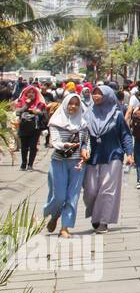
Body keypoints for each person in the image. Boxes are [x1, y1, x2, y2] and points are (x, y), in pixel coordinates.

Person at [82, 85, 134, 234]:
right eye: (94, 93)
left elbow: (125, 135)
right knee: (90, 191)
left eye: (100, 94)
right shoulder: (87, 115)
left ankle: (103, 221)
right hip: (93, 156)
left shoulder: (116, 115)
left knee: (107, 190)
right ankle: (95, 214)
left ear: (108, 96)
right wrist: (82, 148)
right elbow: (81, 135)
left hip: (113, 155)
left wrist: (129, 153)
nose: (96, 96)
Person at [44, 92, 89, 238]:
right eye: (71, 103)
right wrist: (66, 145)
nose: (73, 107)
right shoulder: (55, 121)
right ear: (65, 104)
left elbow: (85, 142)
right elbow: (55, 141)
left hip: (77, 164)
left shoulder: (83, 123)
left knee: (73, 195)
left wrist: (85, 151)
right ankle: (55, 215)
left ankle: (65, 226)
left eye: (76, 104)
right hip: (59, 162)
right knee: (59, 196)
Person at [14, 84, 46, 171]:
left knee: (33, 147)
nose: (31, 94)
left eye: (33, 92)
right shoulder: (21, 101)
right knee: (24, 147)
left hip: (35, 129)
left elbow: (40, 112)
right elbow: (18, 111)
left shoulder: (40, 103)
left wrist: (35, 111)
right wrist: (27, 105)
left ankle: (30, 164)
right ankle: (23, 163)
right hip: (23, 127)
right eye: (29, 92)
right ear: (26, 93)